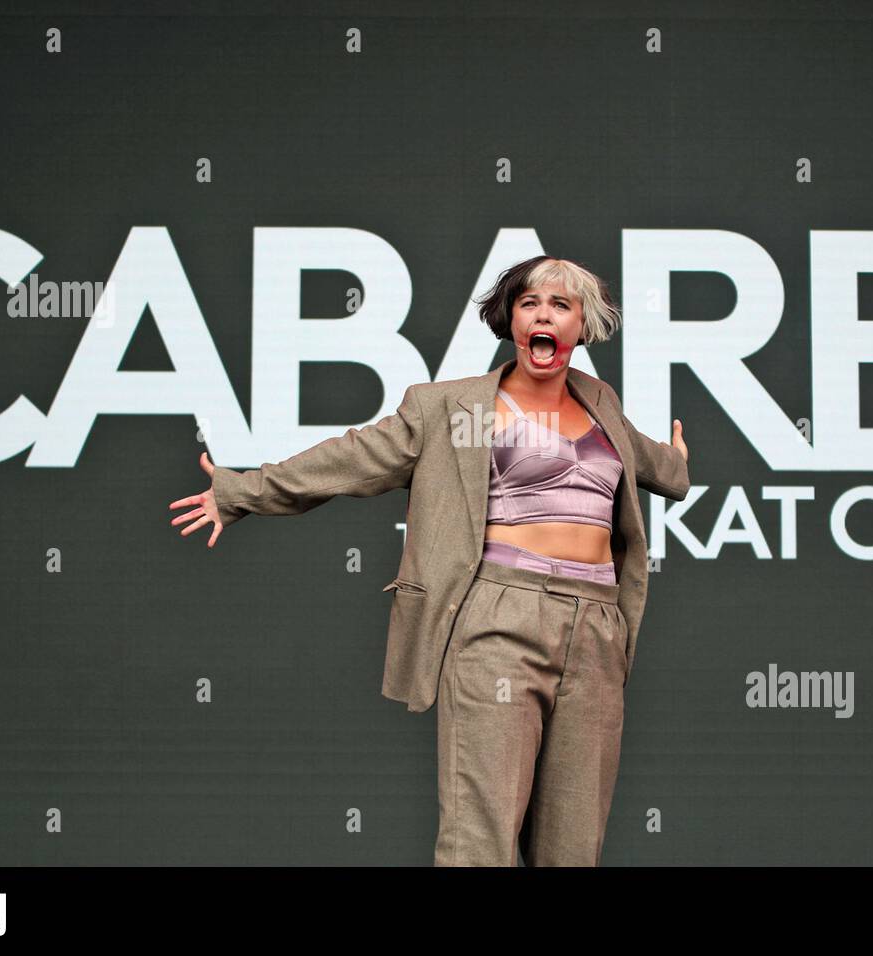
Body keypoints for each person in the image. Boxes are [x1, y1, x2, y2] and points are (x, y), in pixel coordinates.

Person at [169, 256, 689, 865]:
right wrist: (240, 492)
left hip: (598, 628)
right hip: (500, 620)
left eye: (560, 306)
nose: (543, 315)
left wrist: (677, 461)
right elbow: (348, 458)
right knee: (479, 841)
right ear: (511, 321)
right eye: (529, 304)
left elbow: (659, 468)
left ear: (582, 326)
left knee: (573, 849)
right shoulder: (454, 409)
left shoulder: (601, 405)